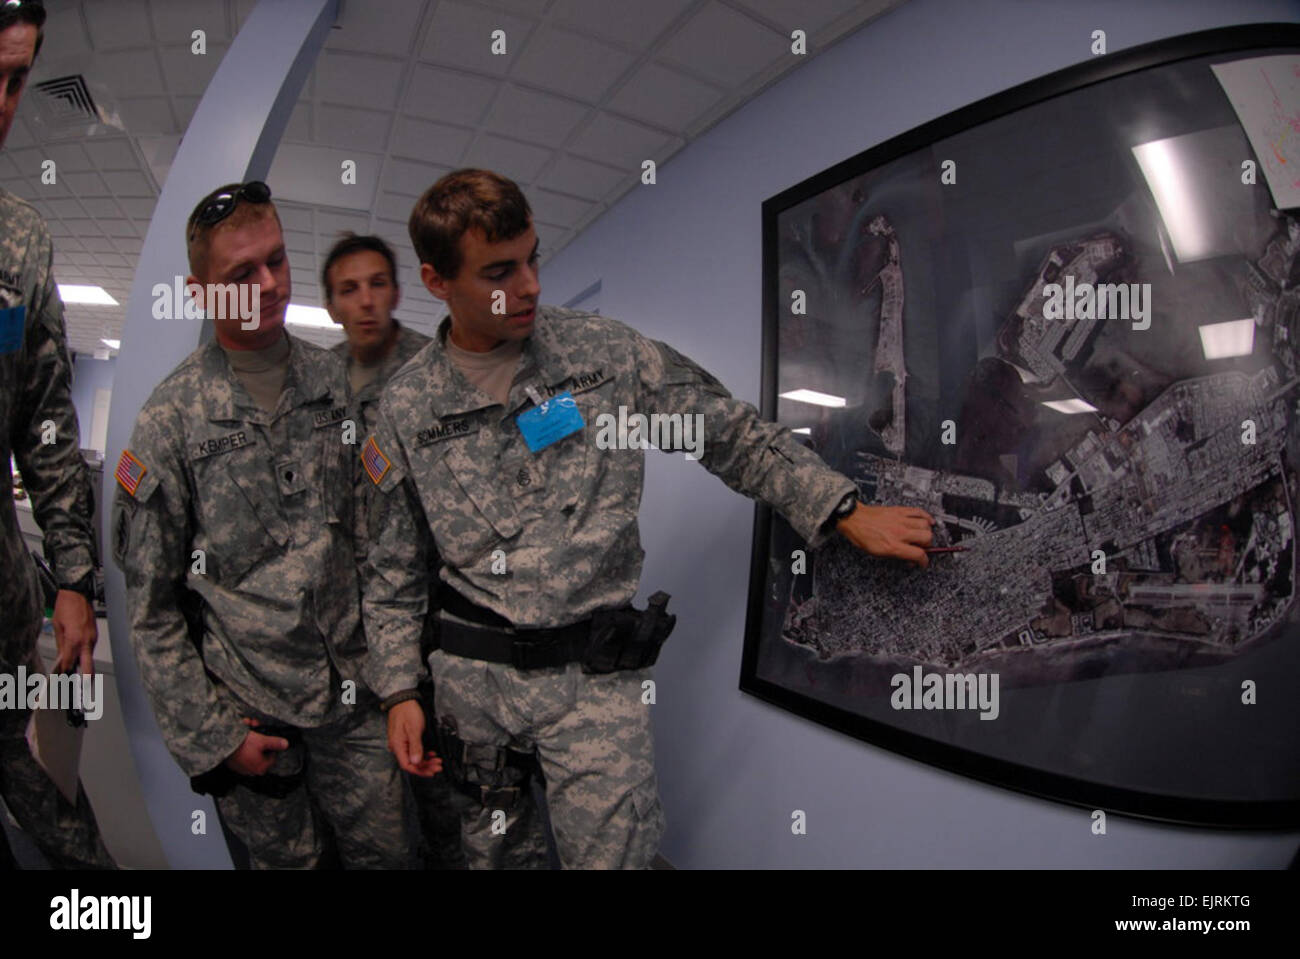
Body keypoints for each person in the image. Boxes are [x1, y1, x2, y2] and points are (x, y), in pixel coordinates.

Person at [360, 168, 934, 869]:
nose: (533, 284)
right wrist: (396, 690)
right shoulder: (404, 409)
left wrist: (839, 505)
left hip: (592, 683)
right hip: (471, 687)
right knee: (497, 857)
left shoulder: (603, 358)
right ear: (436, 280)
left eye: (534, 257)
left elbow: (727, 432)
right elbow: (389, 568)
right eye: (501, 270)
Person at [112, 182, 419, 869]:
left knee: (391, 856)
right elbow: (152, 610)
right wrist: (214, 736)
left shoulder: (340, 385)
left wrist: (399, 686)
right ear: (201, 293)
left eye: (277, 260)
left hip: (353, 701)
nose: (269, 283)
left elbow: (385, 550)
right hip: (253, 715)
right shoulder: (172, 421)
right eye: (241, 274)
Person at [0, 0, 115, 870]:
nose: (0, 102)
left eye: (13, 80)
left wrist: (72, 575)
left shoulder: (18, 243)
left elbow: (44, 418)